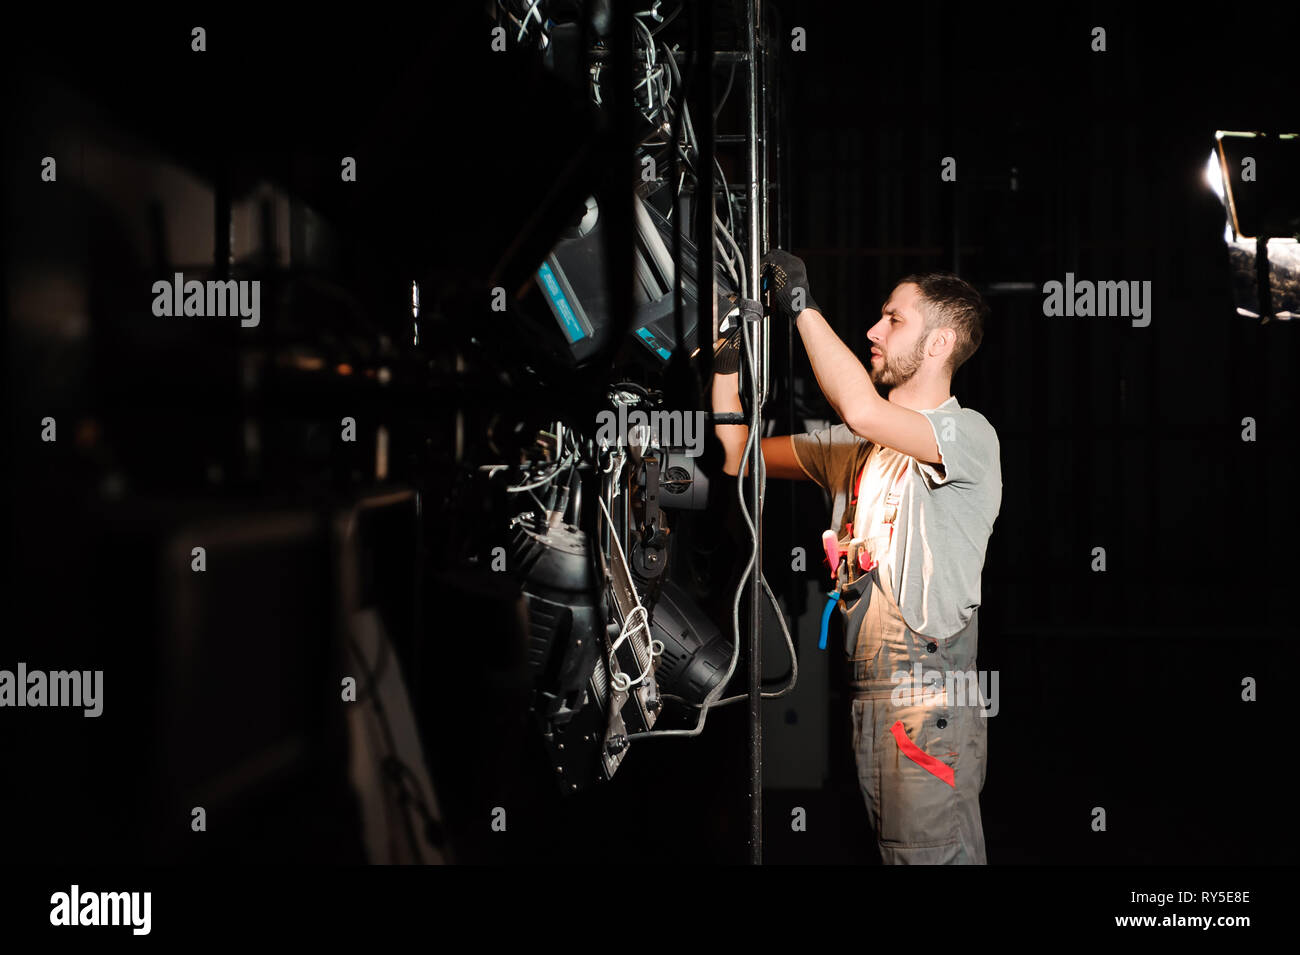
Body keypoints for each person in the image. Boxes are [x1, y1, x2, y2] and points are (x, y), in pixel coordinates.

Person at [710, 250, 1001, 864]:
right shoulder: (857, 449)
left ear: (939, 343)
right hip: (871, 697)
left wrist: (802, 309)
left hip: (927, 698)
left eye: (893, 320)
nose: (873, 330)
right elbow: (739, 458)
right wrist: (726, 357)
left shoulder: (968, 437)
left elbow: (861, 406)